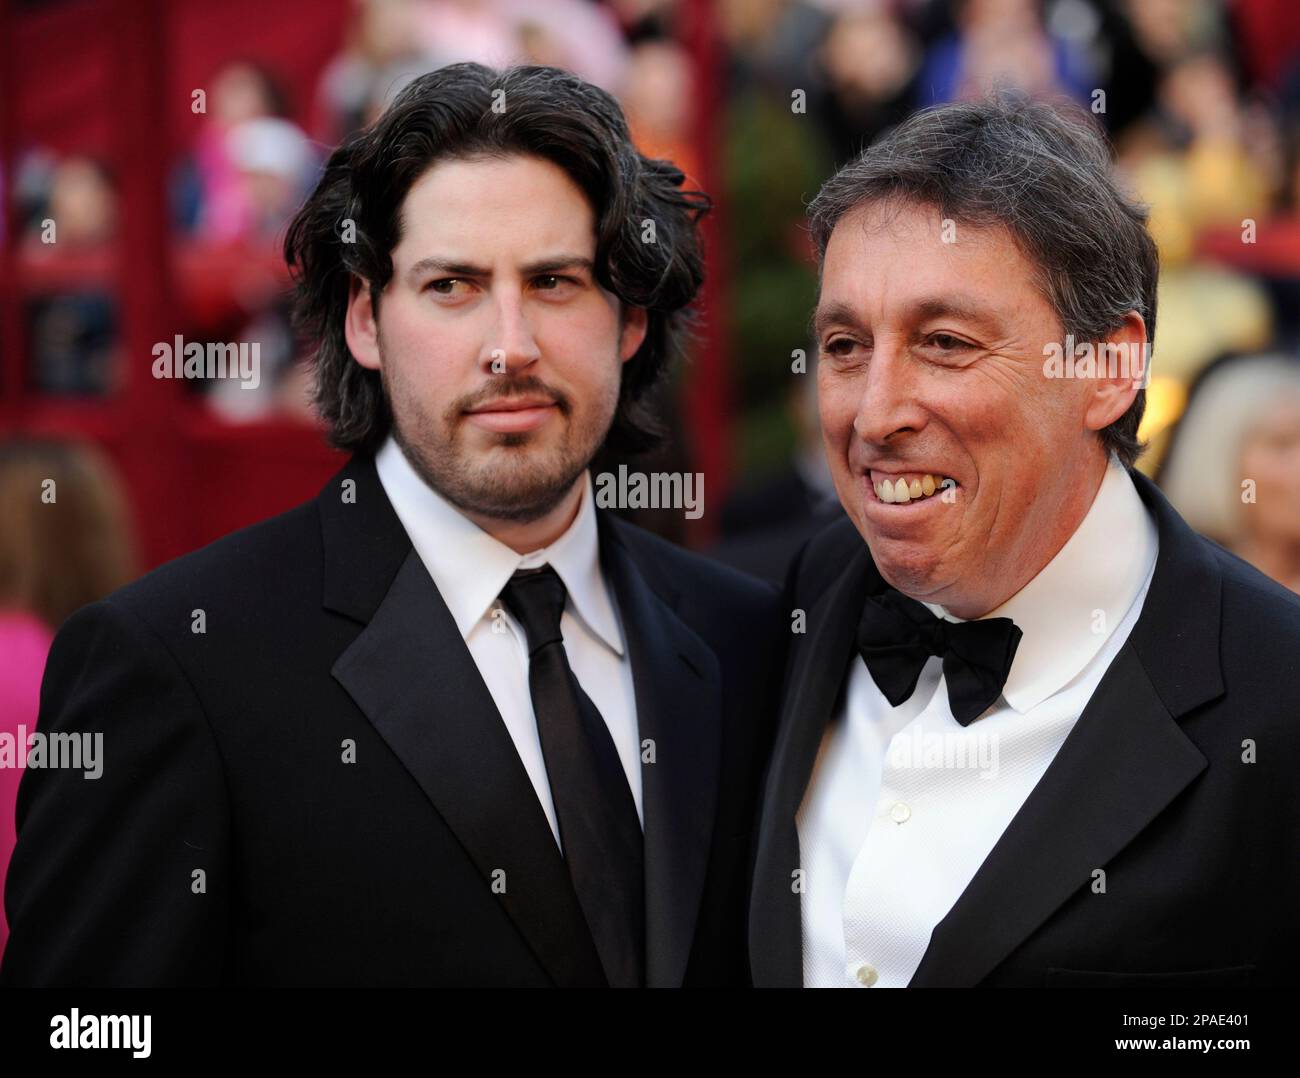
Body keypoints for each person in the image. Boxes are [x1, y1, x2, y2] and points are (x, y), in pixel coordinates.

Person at [2, 63, 783, 988]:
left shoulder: (746, 640)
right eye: (451, 285)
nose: (510, 344)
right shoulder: (176, 666)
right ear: (367, 320)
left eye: (556, 282)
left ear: (629, 323)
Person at [749, 93, 1300, 988]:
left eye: (945, 342)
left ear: (1109, 368)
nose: (876, 413)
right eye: (846, 345)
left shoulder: (1278, 700)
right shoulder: (805, 601)